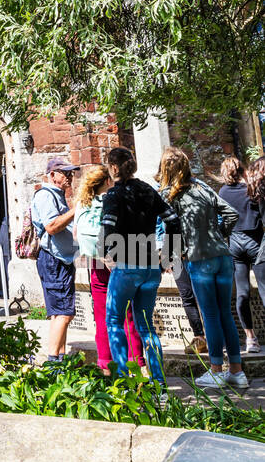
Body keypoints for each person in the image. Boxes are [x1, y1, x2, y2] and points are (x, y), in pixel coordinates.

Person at [157, 147, 246, 391]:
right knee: (226, 313)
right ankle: (237, 372)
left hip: (198, 259)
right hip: (222, 256)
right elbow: (231, 213)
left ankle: (216, 371)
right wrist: (220, 235)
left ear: (165, 169)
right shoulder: (202, 187)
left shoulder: (167, 195)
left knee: (211, 315)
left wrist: (172, 256)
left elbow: (170, 231)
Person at [98, 146, 181, 386]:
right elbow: (172, 220)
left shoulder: (114, 195)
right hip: (151, 266)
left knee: (114, 321)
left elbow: (107, 227)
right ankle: (160, 384)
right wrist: (168, 256)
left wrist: (108, 255)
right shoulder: (147, 190)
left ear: (113, 168)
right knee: (147, 328)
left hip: (127, 264)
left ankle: (126, 382)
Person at [74, 164, 144, 377]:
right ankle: (134, 362)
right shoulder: (114, 199)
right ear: (106, 182)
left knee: (102, 313)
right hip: (117, 258)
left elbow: (76, 235)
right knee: (126, 313)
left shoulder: (81, 203)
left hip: (94, 262)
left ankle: (106, 362)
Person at [30, 155, 79, 363]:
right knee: (63, 313)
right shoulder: (45, 196)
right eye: (65, 173)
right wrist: (78, 209)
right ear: (52, 175)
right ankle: (53, 362)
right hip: (53, 260)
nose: (70, 177)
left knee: (63, 313)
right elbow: (51, 227)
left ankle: (60, 357)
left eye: (71, 173)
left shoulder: (57, 195)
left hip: (63, 259)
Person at [218, 154, 262, 354]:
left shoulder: (222, 192)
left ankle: (250, 338)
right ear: (243, 170)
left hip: (235, 244)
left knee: (242, 293)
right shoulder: (250, 188)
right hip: (256, 241)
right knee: (263, 289)